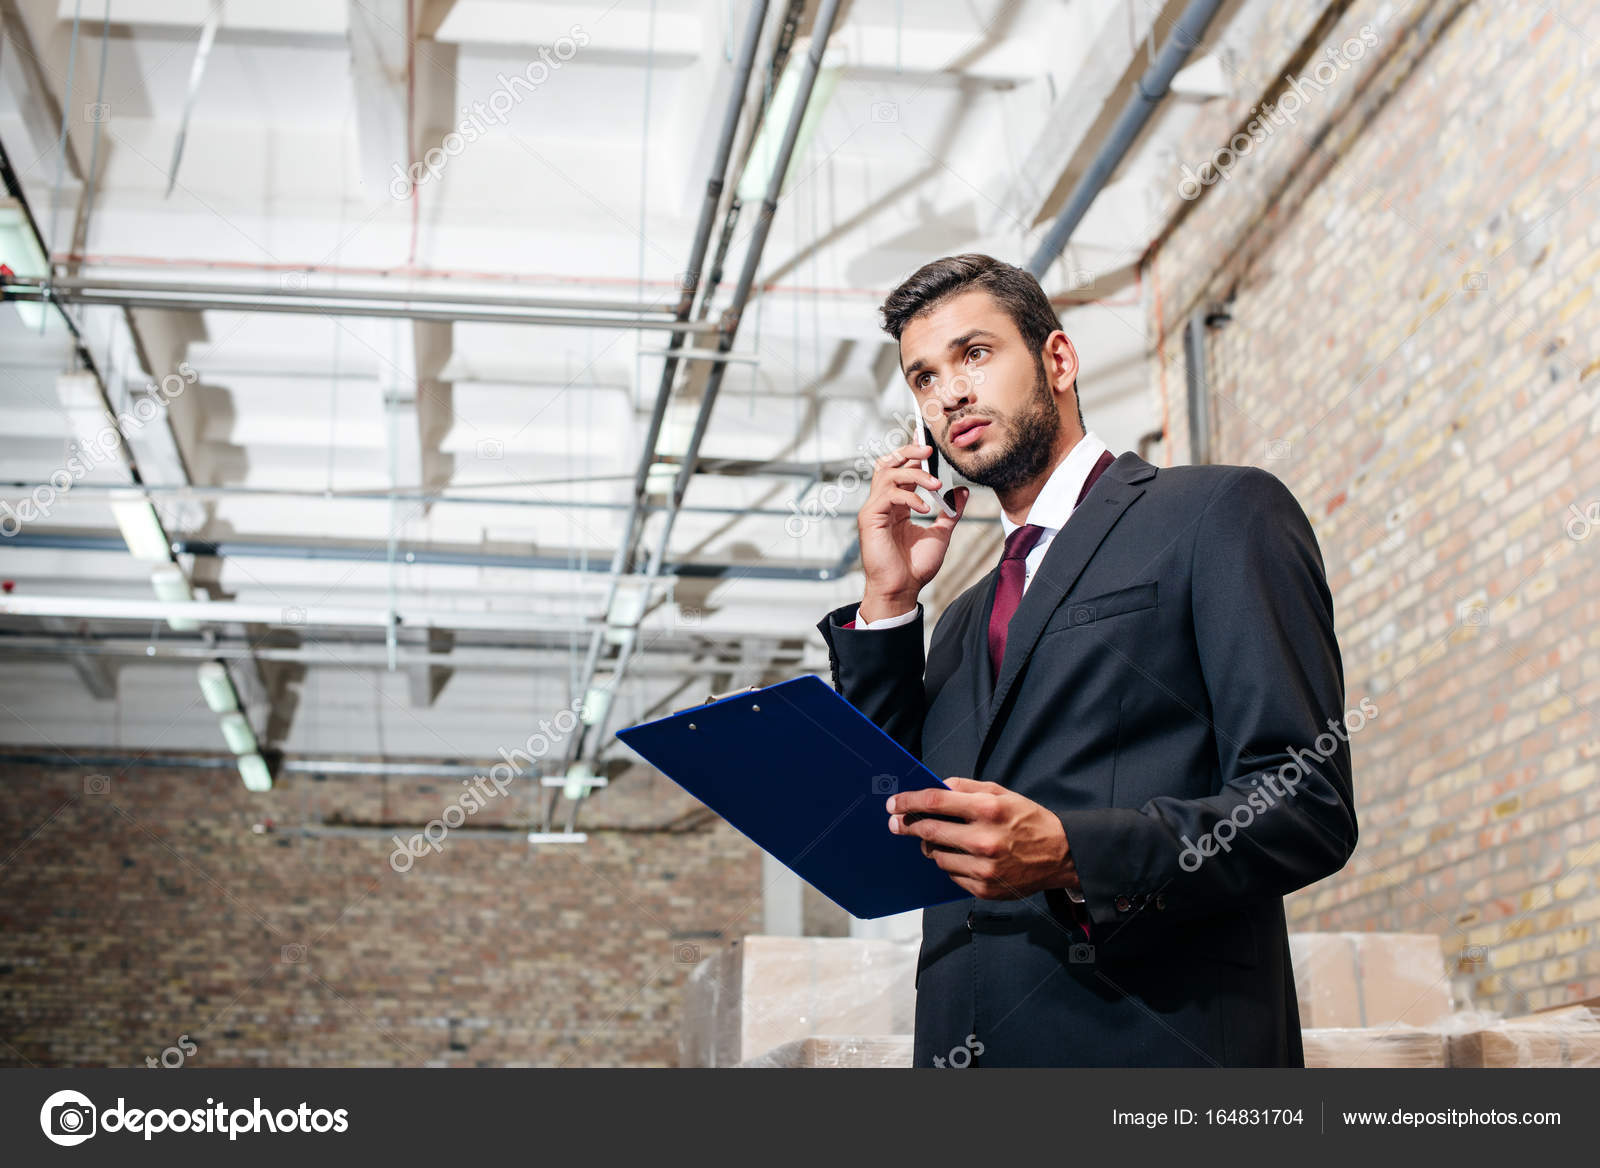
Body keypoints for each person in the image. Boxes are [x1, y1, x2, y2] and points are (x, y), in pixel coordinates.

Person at [815, 253, 1359, 1067]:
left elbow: (1306, 802)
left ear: (1058, 361)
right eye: (924, 378)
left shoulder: (1215, 514)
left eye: (974, 354)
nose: (950, 394)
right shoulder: (962, 622)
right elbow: (892, 813)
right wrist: (888, 600)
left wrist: (1074, 852)